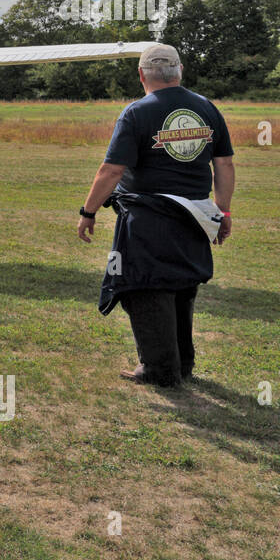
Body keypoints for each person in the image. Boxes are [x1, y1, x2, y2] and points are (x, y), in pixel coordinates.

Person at [76, 44, 234, 387]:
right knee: (181, 286)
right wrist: (224, 211)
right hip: (197, 215)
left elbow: (111, 170)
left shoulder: (136, 113)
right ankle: (182, 364)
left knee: (145, 287)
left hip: (149, 218)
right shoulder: (206, 107)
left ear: (141, 74)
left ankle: (159, 370)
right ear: (179, 71)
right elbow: (223, 164)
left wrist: (88, 211)